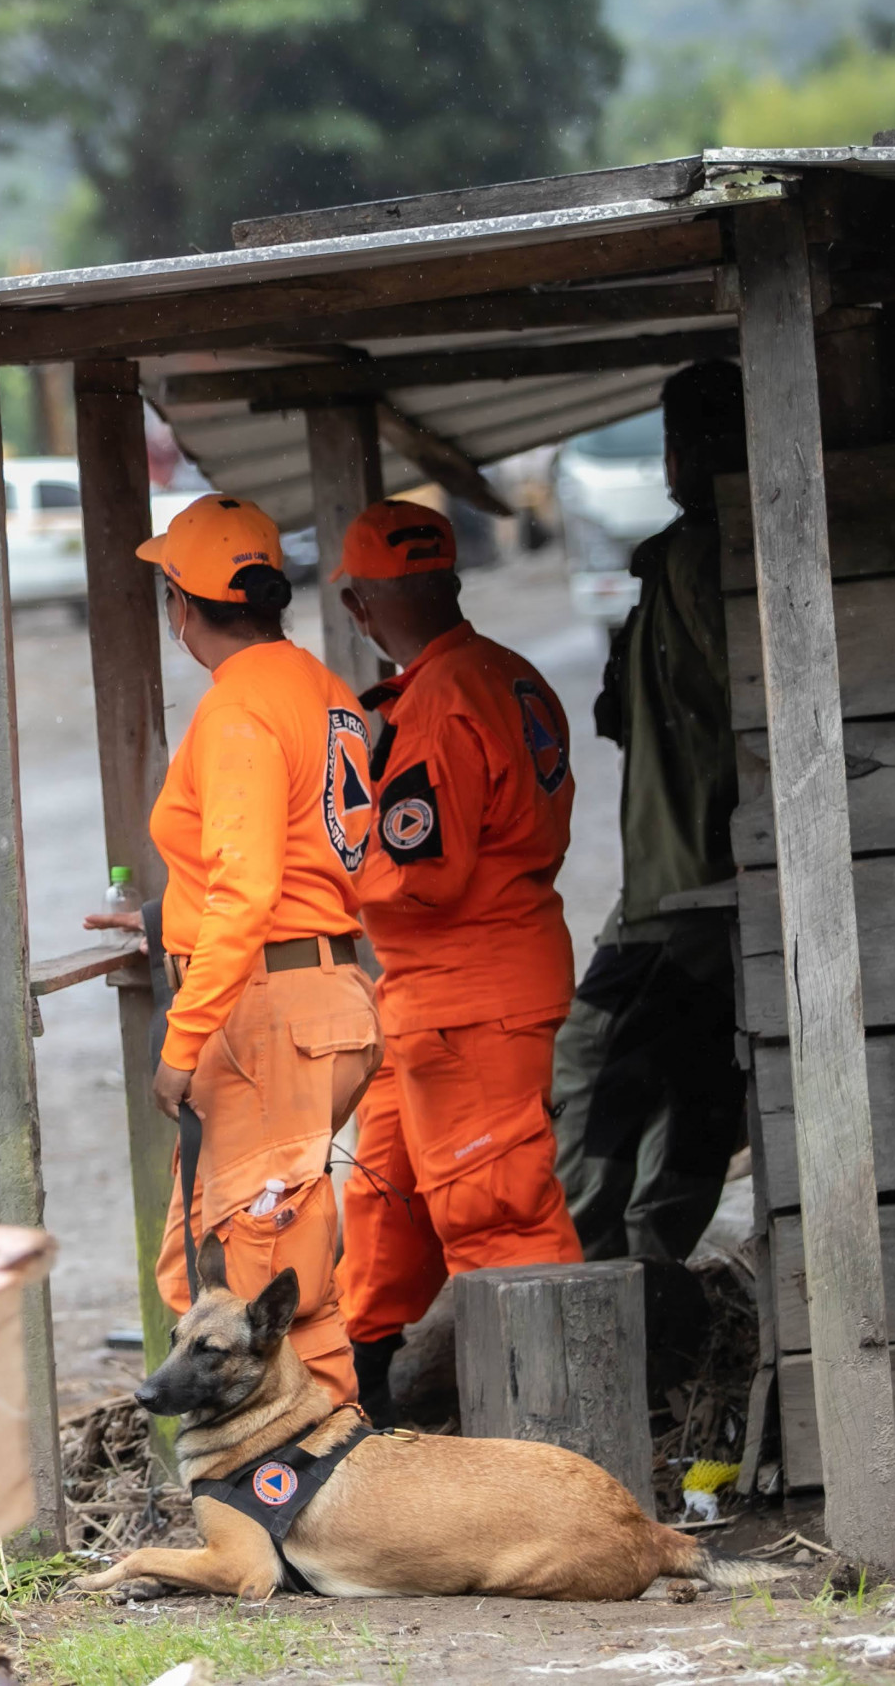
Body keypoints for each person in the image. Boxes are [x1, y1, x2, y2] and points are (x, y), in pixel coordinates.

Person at [87, 493, 384, 1405]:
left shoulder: (238, 712)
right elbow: (285, 864)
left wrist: (181, 1041)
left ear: (183, 605)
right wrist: (160, 919)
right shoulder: (321, 689)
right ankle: (268, 1501)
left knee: (269, 1295)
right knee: (206, 1266)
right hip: (323, 1000)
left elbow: (250, 890)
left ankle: (313, 1509)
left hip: (271, 1022)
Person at [329, 498, 584, 1425]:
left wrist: (329, 867)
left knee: (499, 1214)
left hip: (470, 998)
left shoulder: (436, 704)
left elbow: (420, 876)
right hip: (443, 997)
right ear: (451, 580)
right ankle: (363, 1414)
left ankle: (555, 1453)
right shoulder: (508, 676)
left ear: (359, 607)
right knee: (386, 1201)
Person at [550, 362, 749, 1263]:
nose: (683, 457)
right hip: (679, 881)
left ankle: (605, 1283)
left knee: (599, 1070)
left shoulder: (713, 560)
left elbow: (753, 713)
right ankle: (645, 1284)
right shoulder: (681, 559)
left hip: (686, 889)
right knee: (689, 1080)